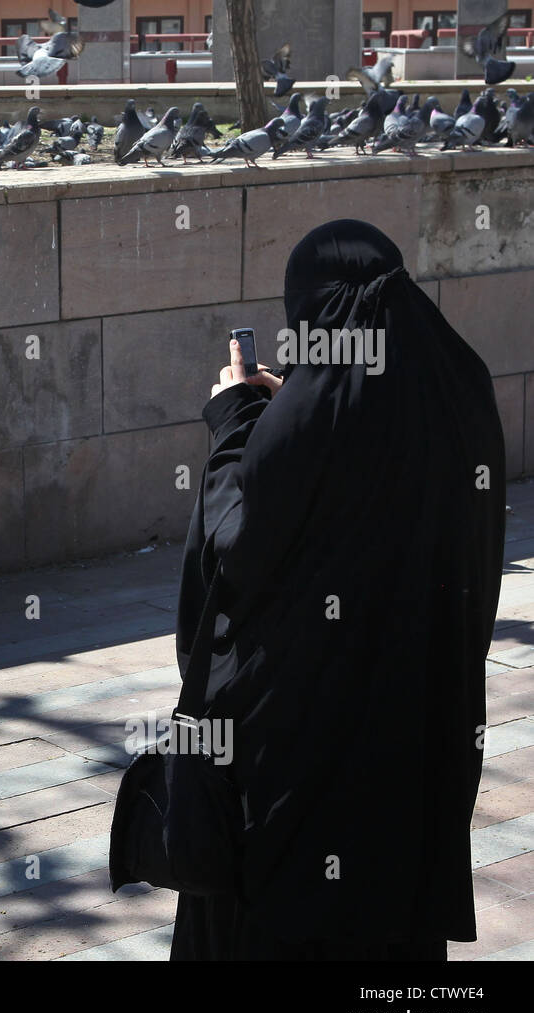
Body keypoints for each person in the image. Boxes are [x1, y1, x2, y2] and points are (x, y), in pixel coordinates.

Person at [171, 219, 506, 960]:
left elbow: (230, 560)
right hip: (415, 768)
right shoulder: (461, 386)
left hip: (291, 791)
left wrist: (237, 420)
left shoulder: (306, 419)